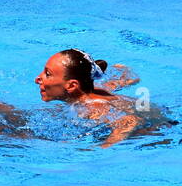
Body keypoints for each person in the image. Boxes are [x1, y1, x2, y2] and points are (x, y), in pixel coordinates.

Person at [35, 49, 165, 147]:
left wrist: (100, 149)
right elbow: (128, 77)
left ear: (72, 85)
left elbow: (131, 121)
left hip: (161, 133)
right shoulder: (95, 88)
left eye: (48, 74)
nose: (38, 79)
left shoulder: (90, 107)